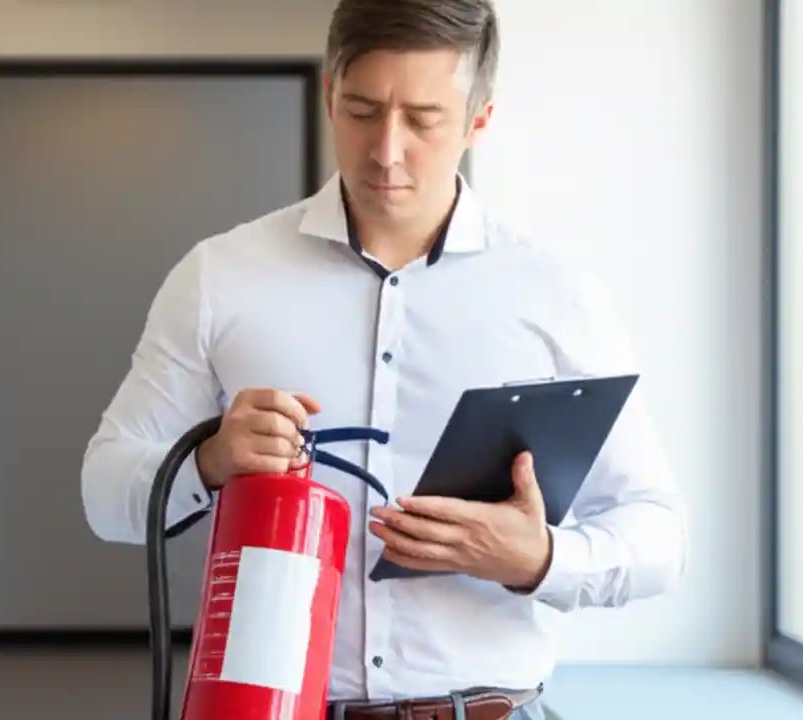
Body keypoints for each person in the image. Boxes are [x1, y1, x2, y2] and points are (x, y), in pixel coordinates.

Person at [80, 0, 688, 717]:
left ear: (478, 119)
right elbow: (104, 494)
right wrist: (210, 461)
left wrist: (538, 559)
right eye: (364, 111)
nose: (386, 151)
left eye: (424, 120)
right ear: (330, 95)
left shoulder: (559, 296)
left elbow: (658, 537)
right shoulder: (220, 277)